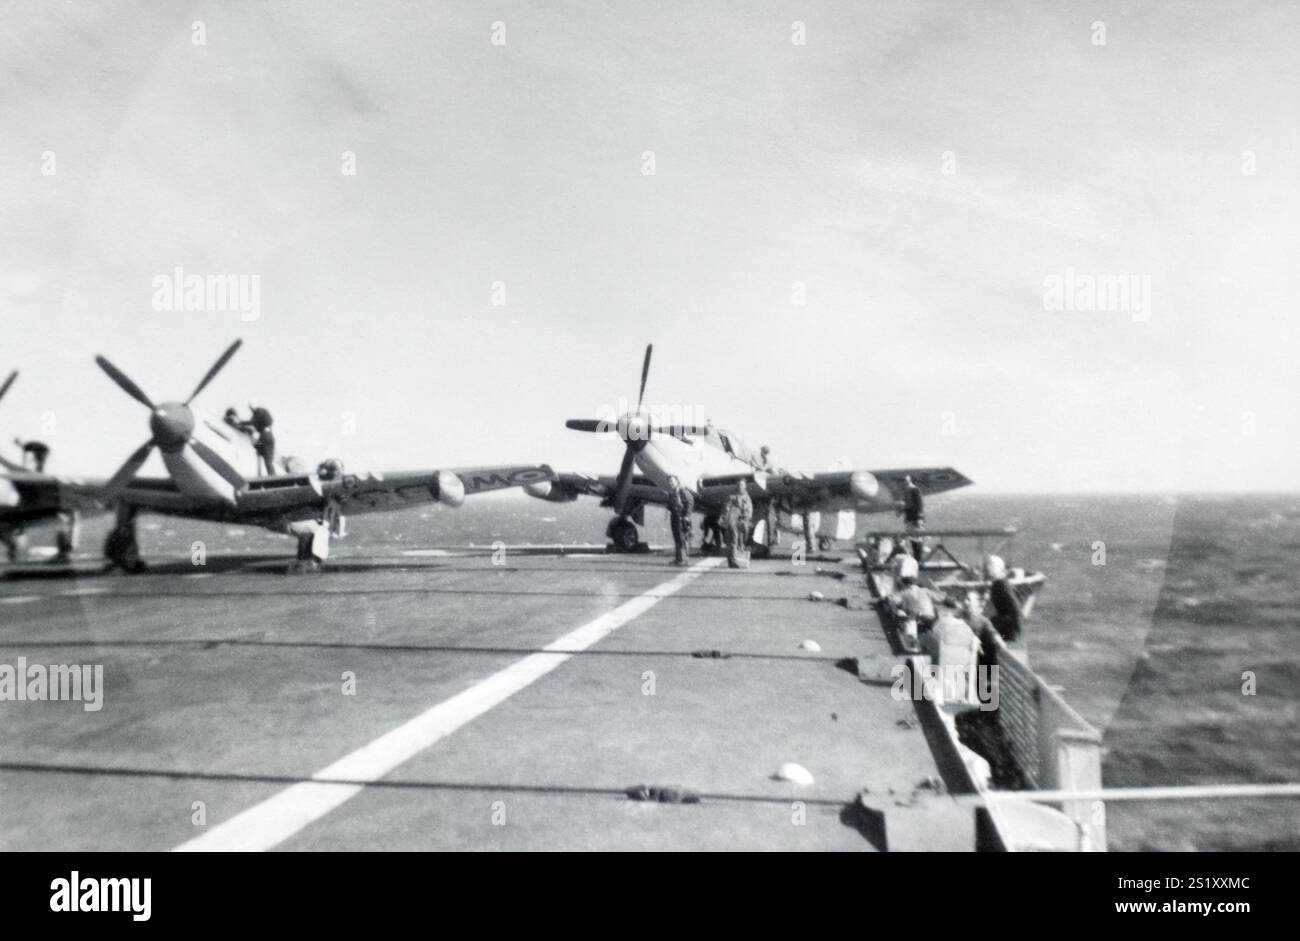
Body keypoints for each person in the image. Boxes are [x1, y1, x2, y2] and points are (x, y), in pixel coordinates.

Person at [984, 554, 1023, 642]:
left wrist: (1017, 630)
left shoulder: (1001, 585)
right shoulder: (998, 583)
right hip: (1004, 624)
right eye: (987, 565)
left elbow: (1015, 609)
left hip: (1007, 628)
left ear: (998, 568)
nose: (987, 568)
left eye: (990, 565)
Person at [723, 480, 752, 569]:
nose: (740, 486)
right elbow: (725, 508)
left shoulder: (746, 498)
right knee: (731, 542)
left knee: (736, 542)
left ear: (745, 486)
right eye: (739, 485)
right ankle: (732, 561)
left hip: (738, 523)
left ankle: (735, 561)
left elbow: (748, 511)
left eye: (742, 485)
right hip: (731, 522)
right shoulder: (731, 497)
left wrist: (743, 519)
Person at [666, 475, 694, 565]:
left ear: (677, 482)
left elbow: (690, 501)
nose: (671, 483)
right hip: (674, 516)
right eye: (669, 482)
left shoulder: (682, 491)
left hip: (681, 517)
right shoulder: (672, 492)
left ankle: (683, 559)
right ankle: (679, 558)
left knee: (682, 538)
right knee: (677, 537)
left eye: (672, 481)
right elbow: (671, 505)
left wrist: (687, 515)